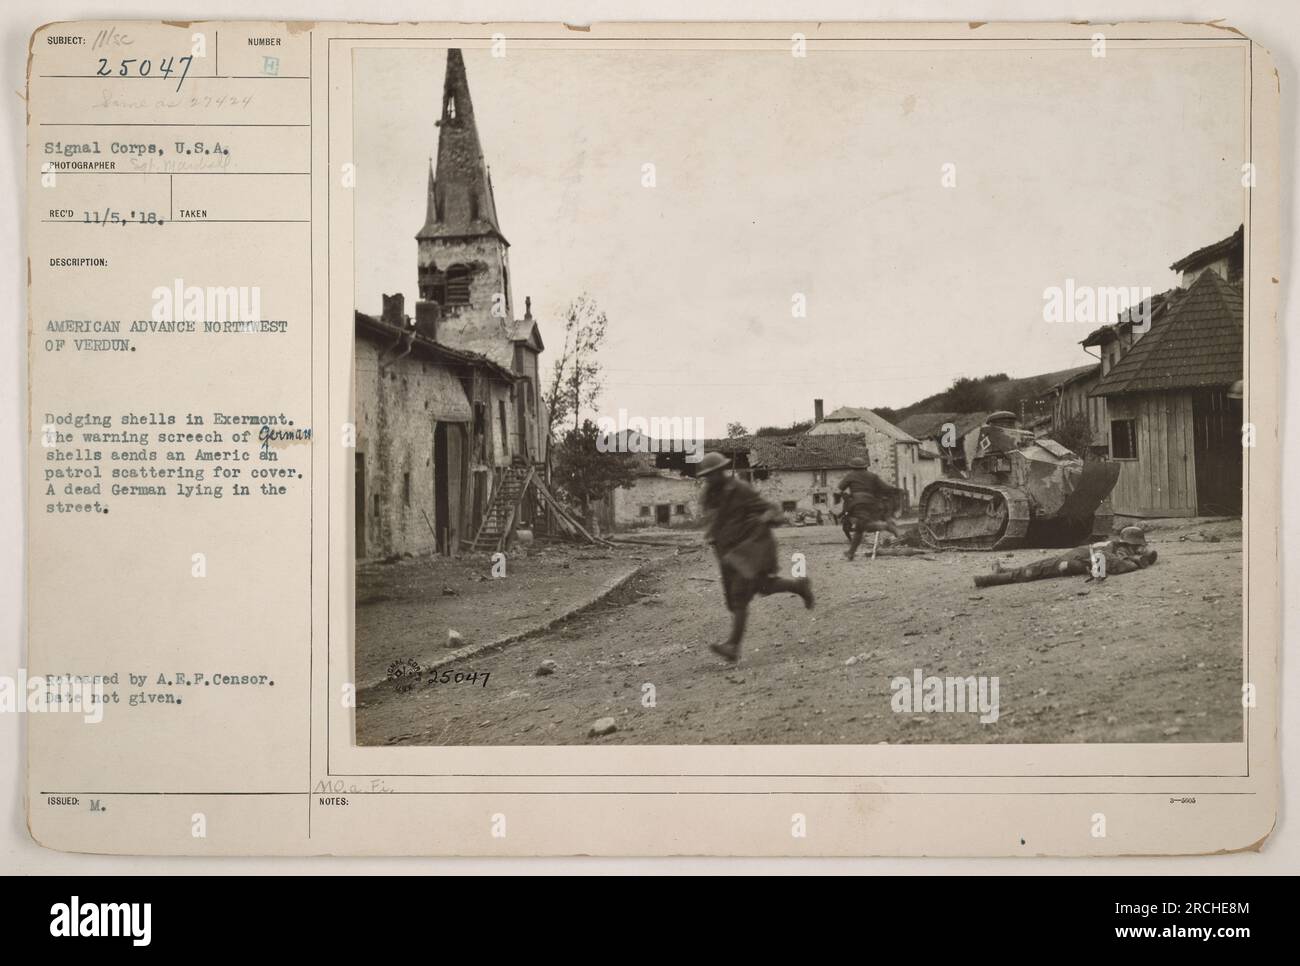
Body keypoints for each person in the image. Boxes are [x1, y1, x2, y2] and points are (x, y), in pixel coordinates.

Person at [697, 451, 814, 662]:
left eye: (713, 473)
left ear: (722, 471)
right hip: (727, 552)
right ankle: (799, 587)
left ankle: (733, 645)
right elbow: (712, 522)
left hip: (750, 547)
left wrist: (769, 518)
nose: (710, 478)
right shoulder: (708, 495)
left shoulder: (739, 489)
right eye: (707, 475)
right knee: (762, 586)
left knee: (739, 594)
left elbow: (769, 508)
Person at [973, 526, 1157, 588]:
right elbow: (1116, 565)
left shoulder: (1116, 548)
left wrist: (1138, 560)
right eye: (1137, 547)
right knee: (1030, 572)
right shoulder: (1111, 548)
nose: (1139, 550)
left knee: (1032, 571)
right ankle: (991, 577)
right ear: (1128, 545)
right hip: (1069, 560)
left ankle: (995, 575)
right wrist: (1137, 563)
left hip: (1072, 561)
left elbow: (1115, 562)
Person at [837, 456, 902, 560]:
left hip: (858, 504)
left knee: (864, 526)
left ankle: (886, 526)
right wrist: (896, 490)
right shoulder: (873, 476)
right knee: (860, 528)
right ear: (865, 467)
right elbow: (885, 488)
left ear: (853, 467)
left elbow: (839, 490)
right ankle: (851, 553)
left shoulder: (850, 476)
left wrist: (837, 499)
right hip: (873, 504)